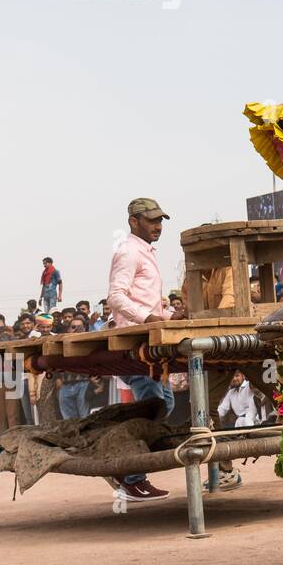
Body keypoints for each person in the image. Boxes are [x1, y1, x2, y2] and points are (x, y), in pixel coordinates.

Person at [107, 197, 176, 502]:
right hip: (137, 343)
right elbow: (116, 297)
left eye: (160, 221)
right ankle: (130, 475)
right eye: (152, 221)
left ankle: (125, 467)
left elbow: (148, 302)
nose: (158, 226)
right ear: (134, 221)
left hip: (152, 341)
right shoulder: (127, 251)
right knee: (154, 408)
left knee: (165, 405)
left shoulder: (145, 252)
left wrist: (168, 316)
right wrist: (145, 317)